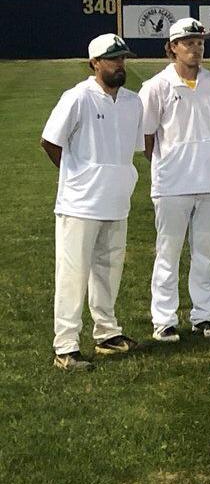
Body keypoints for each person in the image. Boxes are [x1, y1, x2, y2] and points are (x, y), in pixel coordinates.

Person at [41, 34, 142, 371]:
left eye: (122, 58)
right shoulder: (77, 98)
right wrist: (79, 175)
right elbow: (50, 141)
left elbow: (131, 149)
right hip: (80, 205)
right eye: (112, 59)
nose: (119, 65)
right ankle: (66, 346)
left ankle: (107, 334)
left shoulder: (132, 102)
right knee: (73, 276)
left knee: (108, 271)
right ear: (95, 63)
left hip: (116, 201)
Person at [139, 18, 210, 342]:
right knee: (168, 253)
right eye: (188, 42)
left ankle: (204, 316)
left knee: (204, 254)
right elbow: (147, 137)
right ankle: (164, 319)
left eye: (199, 42)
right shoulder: (156, 87)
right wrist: (167, 165)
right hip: (172, 184)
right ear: (172, 48)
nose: (195, 48)